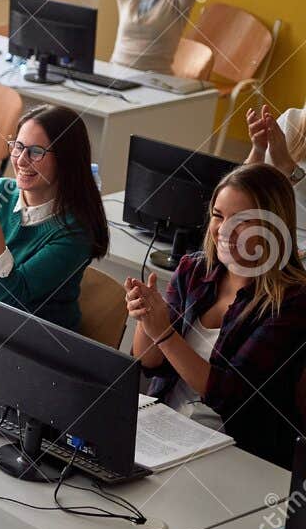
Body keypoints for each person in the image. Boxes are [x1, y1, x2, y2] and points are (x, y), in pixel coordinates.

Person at [127, 163, 306, 468]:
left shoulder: (292, 301)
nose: (224, 231)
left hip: (237, 451)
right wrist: (148, 317)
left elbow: (230, 395)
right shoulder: (194, 269)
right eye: (218, 216)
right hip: (164, 428)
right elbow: (148, 362)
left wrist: (165, 334)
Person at [0, 105, 109, 331]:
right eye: (18, 147)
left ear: (66, 159)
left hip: (38, 346)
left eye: (36, 152)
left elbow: (7, 298)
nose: (21, 161)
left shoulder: (76, 232)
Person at [244, 103, 306, 237]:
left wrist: (290, 169)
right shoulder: (292, 119)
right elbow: (248, 189)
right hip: (269, 230)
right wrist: (258, 150)